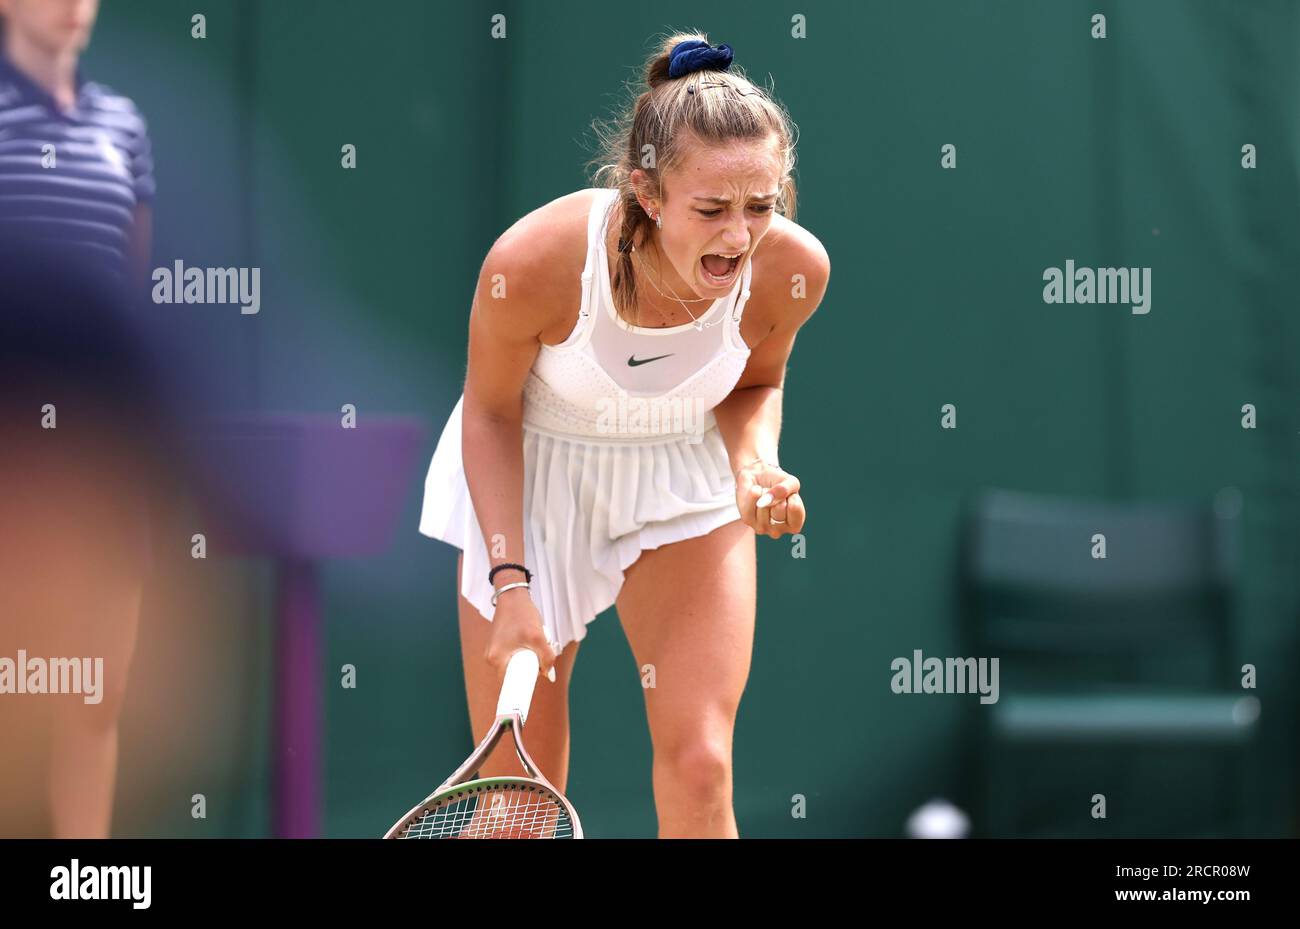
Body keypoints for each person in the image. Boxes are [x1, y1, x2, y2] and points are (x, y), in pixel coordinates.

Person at [418, 33, 829, 838]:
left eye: (763, 205)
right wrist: (511, 585)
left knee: (703, 766)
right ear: (646, 191)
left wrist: (755, 467)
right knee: (514, 810)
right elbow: (490, 412)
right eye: (711, 209)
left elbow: (754, 382)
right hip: (530, 479)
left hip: (683, 479)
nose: (741, 237)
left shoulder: (793, 270)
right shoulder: (536, 262)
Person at [0, 0, 156, 838]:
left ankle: (83, 875)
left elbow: (129, 286)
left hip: (99, 449)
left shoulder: (123, 124)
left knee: (96, 690)